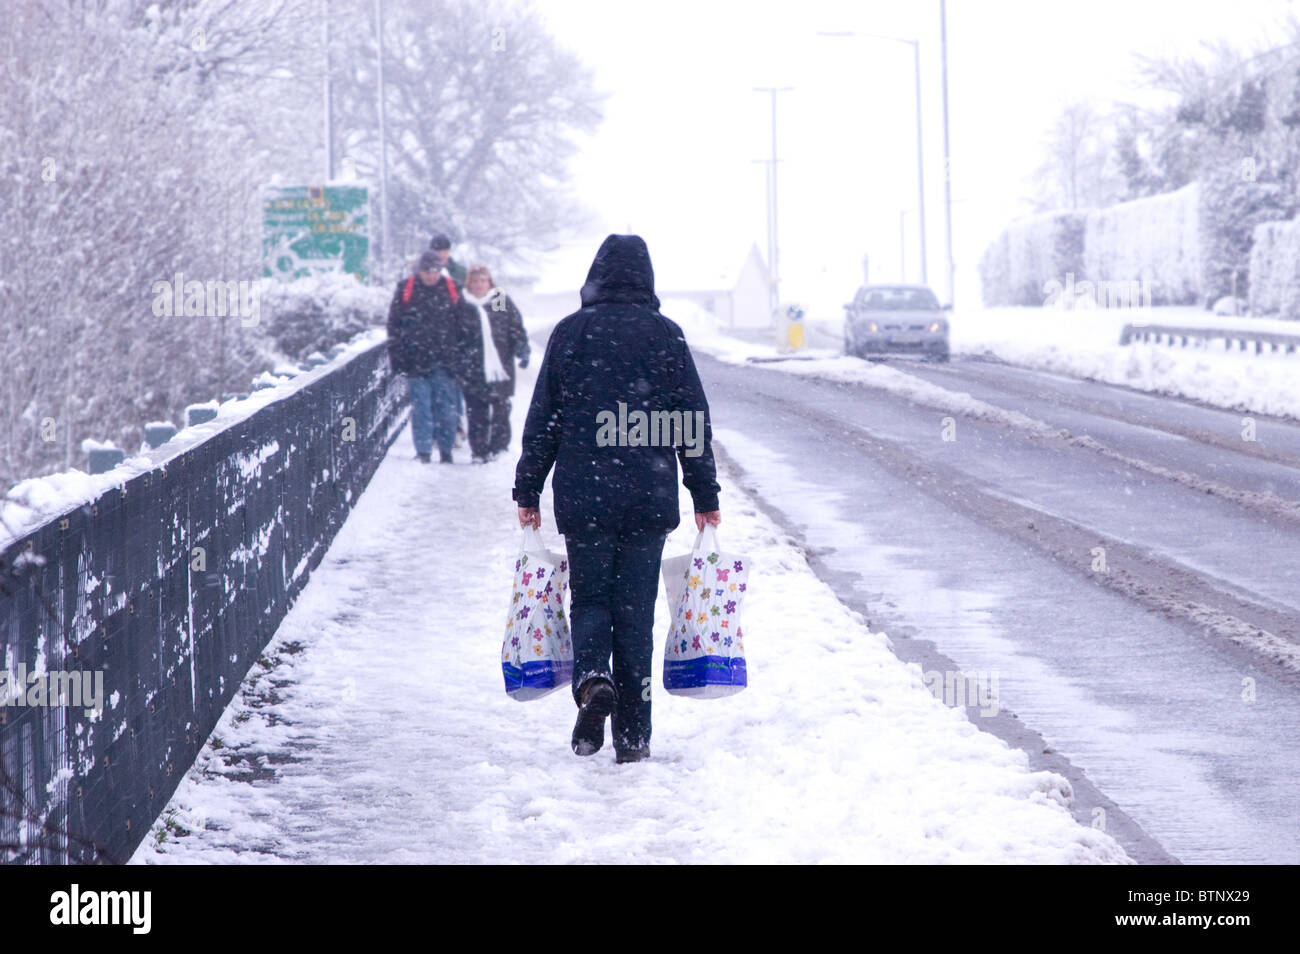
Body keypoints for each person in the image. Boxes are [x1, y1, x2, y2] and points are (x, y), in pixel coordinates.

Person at [513, 234, 721, 764]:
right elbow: (692, 422)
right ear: (646, 278)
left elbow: (546, 420)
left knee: (589, 601)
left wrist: (529, 486)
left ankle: (591, 682)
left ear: (596, 275)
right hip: (648, 495)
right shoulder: (666, 336)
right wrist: (703, 490)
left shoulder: (570, 334)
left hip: (585, 494)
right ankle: (634, 737)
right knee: (634, 615)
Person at [387, 249, 470, 464]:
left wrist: (462, 355)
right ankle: (424, 451)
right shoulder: (406, 289)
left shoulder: (453, 289)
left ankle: (445, 449)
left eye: (434, 271)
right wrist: (398, 358)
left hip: (445, 361)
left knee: (446, 409)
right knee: (421, 408)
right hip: (416, 360)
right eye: (427, 271)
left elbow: (464, 326)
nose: (431, 275)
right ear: (420, 271)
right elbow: (394, 326)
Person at [460, 264, 530, 463]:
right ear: (469, 283)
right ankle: (479, 450)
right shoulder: (464, 304)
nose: (479, 285)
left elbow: (514, 327)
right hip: (472, 366)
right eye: (475, 281)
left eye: (483, 281)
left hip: (500, 366)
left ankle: (499, 446)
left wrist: (522, 349)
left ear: (489, 282)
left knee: (500, 408)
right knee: (476, 411)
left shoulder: (499, 300)